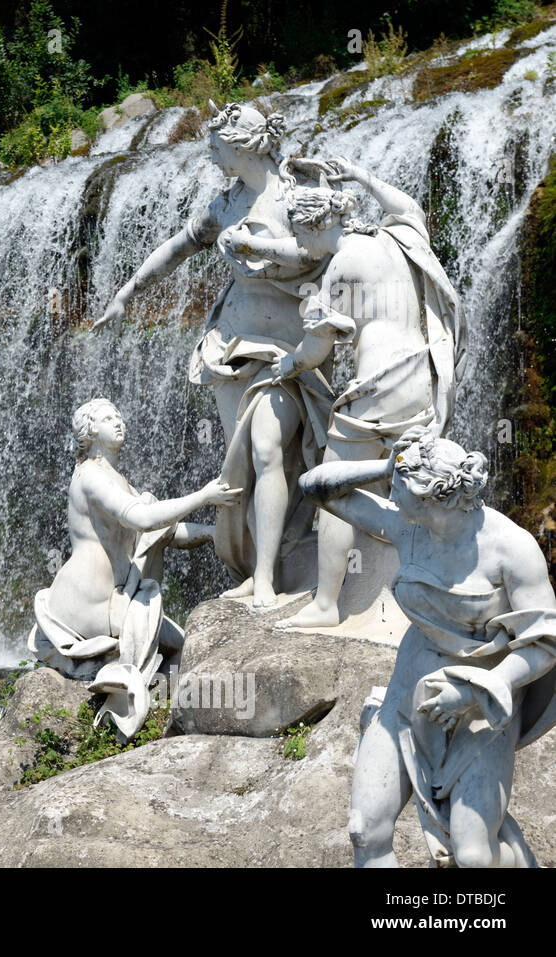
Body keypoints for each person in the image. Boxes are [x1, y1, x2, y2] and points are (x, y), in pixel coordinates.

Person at [95, 103, 333, 609]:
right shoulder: (226, 204)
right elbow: (179, 246)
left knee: (270, 448)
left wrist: (258, 248)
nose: (209, 152)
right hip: (231, 346)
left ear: (244, 144)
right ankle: (253, 568)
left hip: (291, 350)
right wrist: (126, 293)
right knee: (244, 461)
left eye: (216, 144)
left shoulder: (300, 196)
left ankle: (268, 577)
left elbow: (322, 254)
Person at [300, 428, 556, 867]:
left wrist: (481, 687)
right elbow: (316, 487)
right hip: (408, 694)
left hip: (479, 709)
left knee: (473, 855)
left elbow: (547, 643)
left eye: (397, 484)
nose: (388, 490)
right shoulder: (406, 526)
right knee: (366, 829)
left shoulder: (512, 549)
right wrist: (385, 464)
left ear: (432, 495)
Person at [246, 158, 466, 630]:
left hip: (376, 386)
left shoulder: (342, 263)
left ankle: (327, 604)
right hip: (420, 377)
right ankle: (433, 588)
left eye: (302, 236)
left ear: (316, 223)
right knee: (415, 480)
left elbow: (316, 345)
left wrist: (288, 364)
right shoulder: (396, 238)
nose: (302, 248)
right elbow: (408, 207)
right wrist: (364, 175)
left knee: (333, 481)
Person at [28, 398, 239, 739]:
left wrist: (216, 535)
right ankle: (131, 707)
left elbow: (161, 532)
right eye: (107, 418)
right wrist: (203, 497)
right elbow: (141, 518)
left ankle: (155, 707)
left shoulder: (116, 478)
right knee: (157, 614)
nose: (118, 421)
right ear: (90, 430)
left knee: (181, 645)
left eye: (119, 415)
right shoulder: (91, 476)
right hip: (84, 604)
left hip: (112, 597)